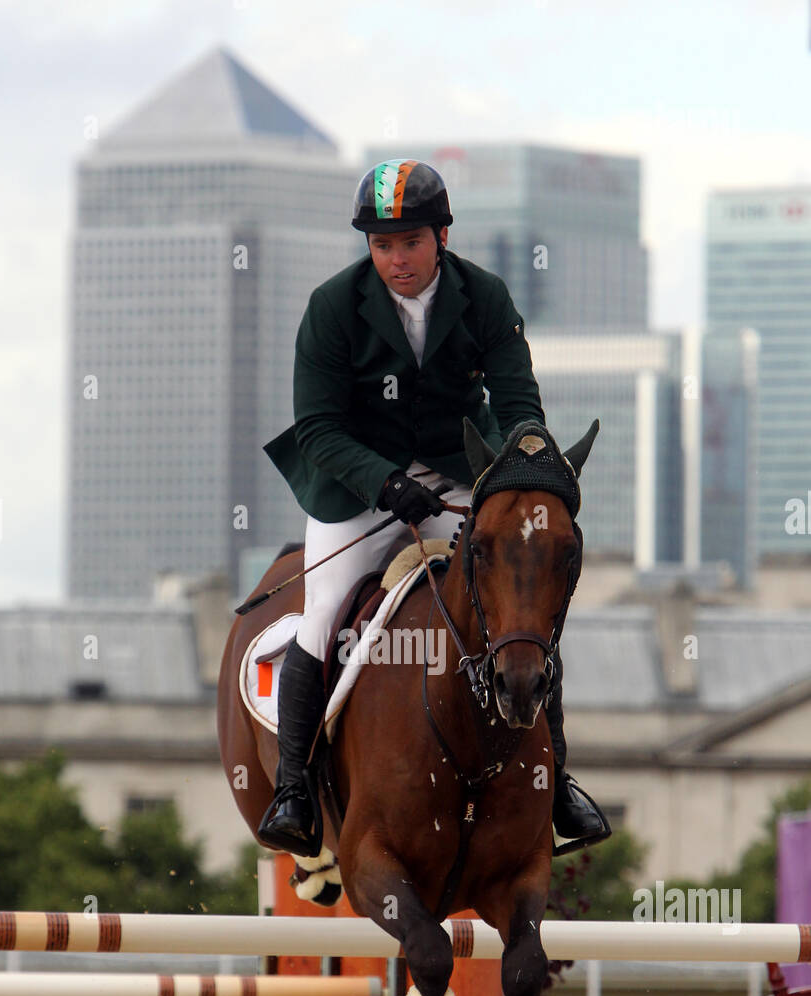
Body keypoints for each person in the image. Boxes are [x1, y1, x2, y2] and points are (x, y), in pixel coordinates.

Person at [259, 158, 608, 856]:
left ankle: (556, 781)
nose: (396, 259)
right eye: (382, 245)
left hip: (456, 477)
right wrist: (387, 484)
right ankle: (293, 788)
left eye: (409, 242)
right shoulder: (333, 307)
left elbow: (516, 405)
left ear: (440, 237)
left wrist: (522, 467)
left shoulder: (483, 297)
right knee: (325, 611)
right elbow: (319, 428)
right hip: (355, 485)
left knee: (517, 606)